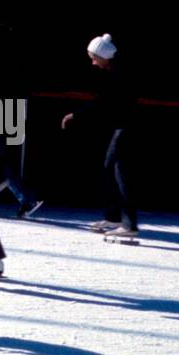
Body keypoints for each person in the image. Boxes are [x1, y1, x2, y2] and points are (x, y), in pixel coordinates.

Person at [61, 34, 139, 238]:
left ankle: (129, 224)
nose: (92, 61)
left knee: (120, 172)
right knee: (110, 168)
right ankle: (113, 217)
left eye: (94, 57)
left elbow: (102, 103)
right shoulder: (114, 72)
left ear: (105, 56)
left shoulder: (119, 75)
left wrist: (75, 115)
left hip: (127, 127)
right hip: (122, 126)